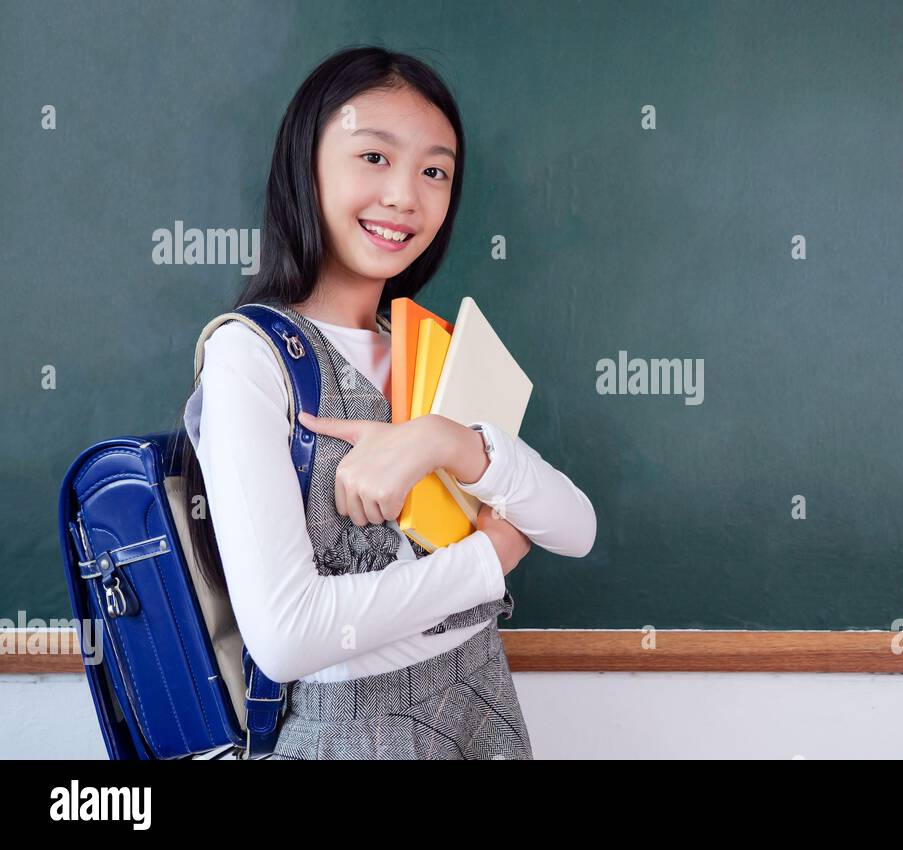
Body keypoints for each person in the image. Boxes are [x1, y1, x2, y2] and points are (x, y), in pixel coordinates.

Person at [177, 45, 597, 759]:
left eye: (434, 171)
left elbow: (575, 527)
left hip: (481, 693)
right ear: (304, 167)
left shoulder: (424, 344)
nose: (406, 195)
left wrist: (446, 441)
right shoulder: (249, 356)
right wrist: (488, 558)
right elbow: (286, 635)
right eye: (374, 157)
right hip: (355, 729)